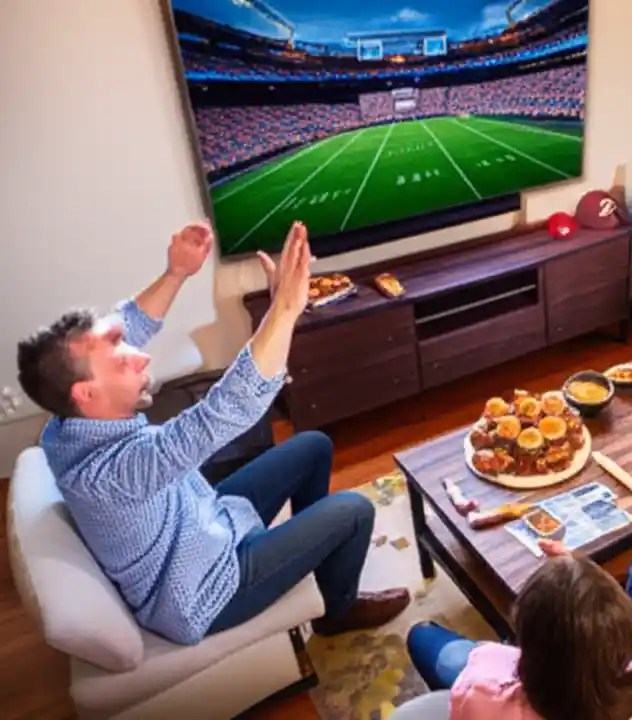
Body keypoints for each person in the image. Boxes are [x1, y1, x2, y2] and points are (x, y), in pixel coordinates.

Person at [16, 221, 410, 645]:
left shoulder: (67, 423)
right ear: (87, 392)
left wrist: (177, 272)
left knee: (313, 447)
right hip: (204, 590)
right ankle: (338, 610)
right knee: (353, 510)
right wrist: (285, 311)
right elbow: (224, 412)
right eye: (119, 358)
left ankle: (318, 561)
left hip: (202, 524)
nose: (139, 356)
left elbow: (128, 322)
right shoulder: (112, 475)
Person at [407, 538, 632, 719]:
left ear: (523, 647)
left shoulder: (480, 693)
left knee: (423, 637)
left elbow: (487, 669)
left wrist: (566, 598)